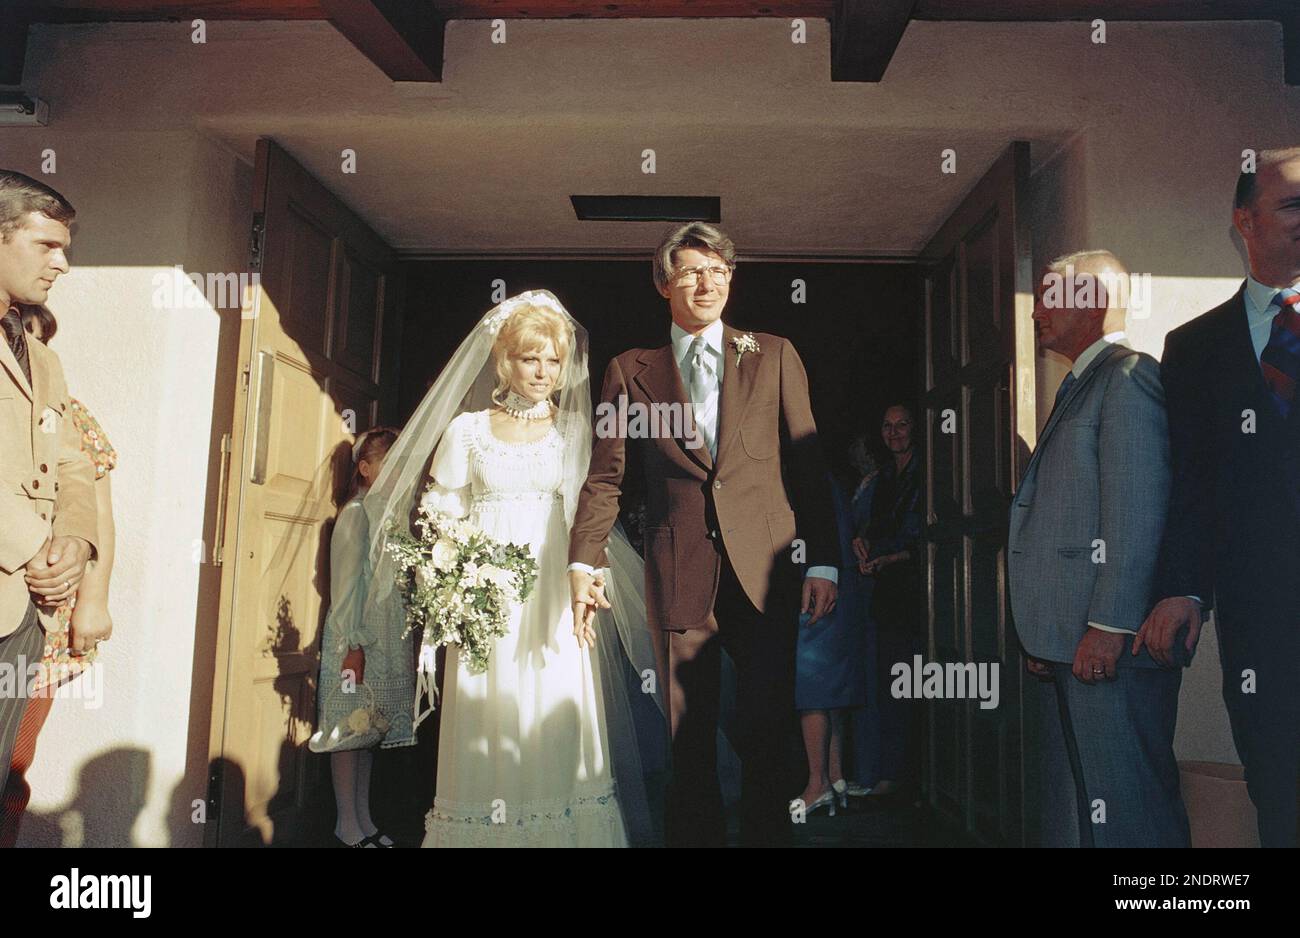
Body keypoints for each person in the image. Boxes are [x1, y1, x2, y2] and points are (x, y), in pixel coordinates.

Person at [568, 222, 839, 847]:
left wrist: (823, 561)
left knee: (768, 730)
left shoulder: (773, 354)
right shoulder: (629, 371)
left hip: (767, 573)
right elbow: (606, 477)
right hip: (679, 575)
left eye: (718, 271)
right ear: (665, 283)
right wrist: (584, 562)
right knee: (688, 740)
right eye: (691, 271)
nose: (706, 282)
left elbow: (807, 466)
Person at [363, 290, 660, 848]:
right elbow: (441, 511)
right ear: (506, 361)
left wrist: (590, 576)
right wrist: (453, 579)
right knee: (489, 710)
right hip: (486, 601)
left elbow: (589, 511)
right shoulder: (466, 431)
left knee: (555, 708)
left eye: (554, 360)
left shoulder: (575, 432)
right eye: (531, 359)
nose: (544, 372)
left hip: (554, 594)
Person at [1142, 148, 1300, 848]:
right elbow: (1192, 483)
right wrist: (1182, 589)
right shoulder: (1196, 347)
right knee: (1278, 784)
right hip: (1259, 619)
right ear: (1245, 221)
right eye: (1293, 205)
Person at [1012, 250, 1189, 847]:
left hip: (1107, 641)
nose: (1036, 310)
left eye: (1048, 294)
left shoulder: (1129, 376)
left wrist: (1109, 625)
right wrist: (1046, 629)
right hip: (1072, 637)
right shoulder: (1083, 382)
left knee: (1130, 809)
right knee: (1094, 807)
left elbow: (1136, 510)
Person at [0, 305, 116, 848]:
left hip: (43, 612)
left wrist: (95, 601)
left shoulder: (71, 417)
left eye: (32, 338)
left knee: (12, 758)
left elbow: (98, 515)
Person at [0, 171, 98, 811]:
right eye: (45, 246)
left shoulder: (44, 356)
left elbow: (74, 464)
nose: (62, 263)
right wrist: (33, 544)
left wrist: (74, 541)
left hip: (24, 610)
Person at [312, 425, 407, 848]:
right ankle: (345, 825)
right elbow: (346, 585)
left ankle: (364, 820)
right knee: (347, 730)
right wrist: (353, 647)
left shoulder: (391, 512)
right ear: (365, 468)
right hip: (355, 638)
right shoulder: (355, 514)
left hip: (382, 637)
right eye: (388, 462)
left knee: (370, 728)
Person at [792, 451, 873, 816]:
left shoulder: (806, 479)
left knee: (810, 691)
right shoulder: (830, 479)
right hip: (844, 587)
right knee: (831, 690)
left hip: (818, 590)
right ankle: (836, 777)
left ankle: (817, 783)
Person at [855, 403, 922, 801]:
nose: (894, 433)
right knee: (885, 682)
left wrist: (894, 558)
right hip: (881, 593)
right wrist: (861, 542)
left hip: (918, 590)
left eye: (902, 425)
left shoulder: (929, 471)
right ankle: (888, 773)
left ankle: (906, 776)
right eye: (887, 426)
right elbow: (870, 529)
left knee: (910, 683)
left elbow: (932, 532)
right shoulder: (879, 480)